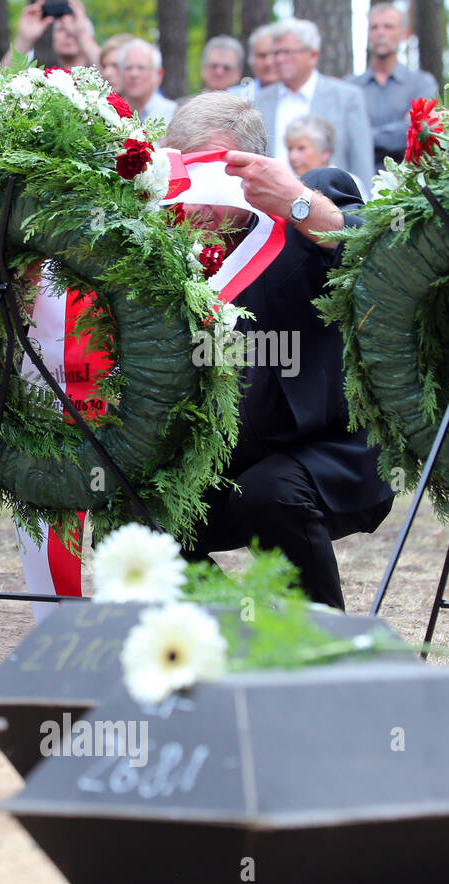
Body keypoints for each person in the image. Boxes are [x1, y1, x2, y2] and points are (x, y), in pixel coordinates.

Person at [163, 93, 393, 609]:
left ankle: (324, 648)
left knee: (269, 493)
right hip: (222, 457)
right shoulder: (160, 242)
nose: (193, 201)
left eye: (210, 178)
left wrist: (298, 202)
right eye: (182, 179)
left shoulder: (313, 199)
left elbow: (381, 261)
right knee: (133, 505)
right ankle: (233, 639)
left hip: (328, 452)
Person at [254, 18, 373, 186]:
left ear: (313, 55)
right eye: (276, 52)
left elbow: (362, 163)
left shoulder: (347, 98)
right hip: (269, 207)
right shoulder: (258, 102)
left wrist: (364, 209)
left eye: (287, 52)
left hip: (333, 205)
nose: (279, 59)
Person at [349, 2, 439, 169]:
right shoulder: (350, 87)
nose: (380, 33)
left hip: (409, 183)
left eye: (388, 27)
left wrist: (363, 136)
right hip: (358, 182)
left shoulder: (421, 84)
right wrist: (402, 127)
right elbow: (344, 137)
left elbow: (422, 133)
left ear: (404, 34)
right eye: (374, 27)